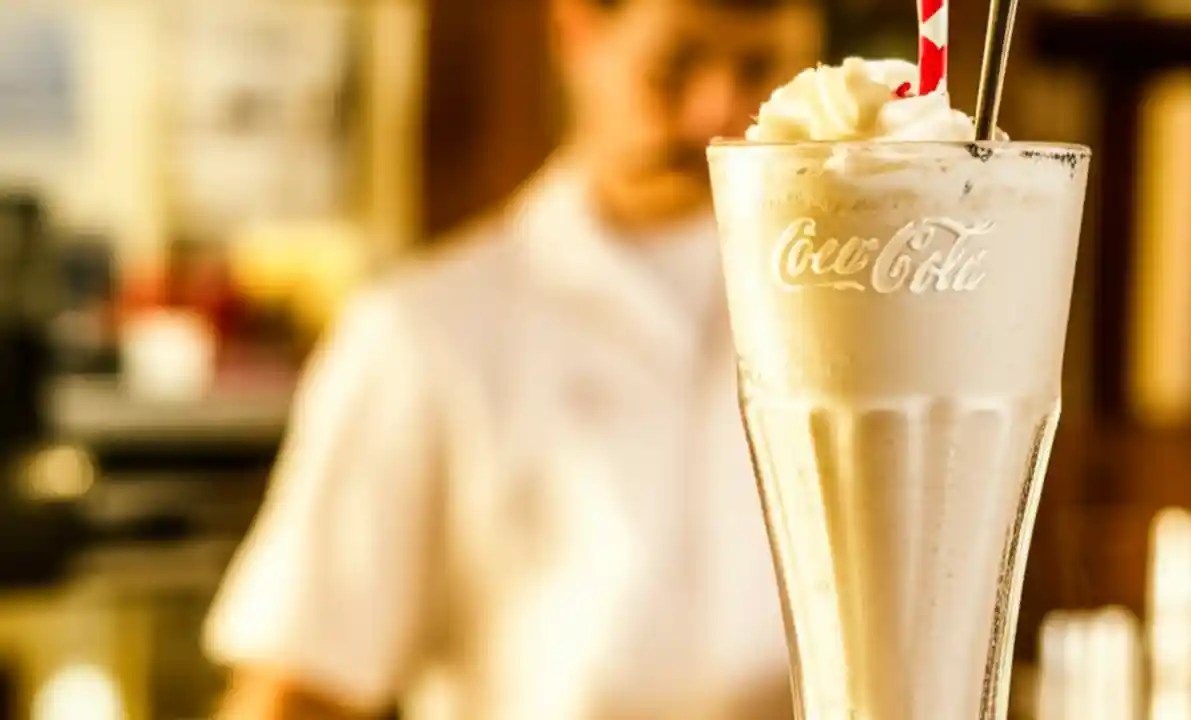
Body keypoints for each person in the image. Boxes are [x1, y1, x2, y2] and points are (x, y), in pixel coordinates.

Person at [205, 1, 824, 718]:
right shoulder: (423, 333)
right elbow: (304, 683)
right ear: (576, 33)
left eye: (759, 69)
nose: (715, 111)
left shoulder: (863, 319)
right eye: (675, 66)